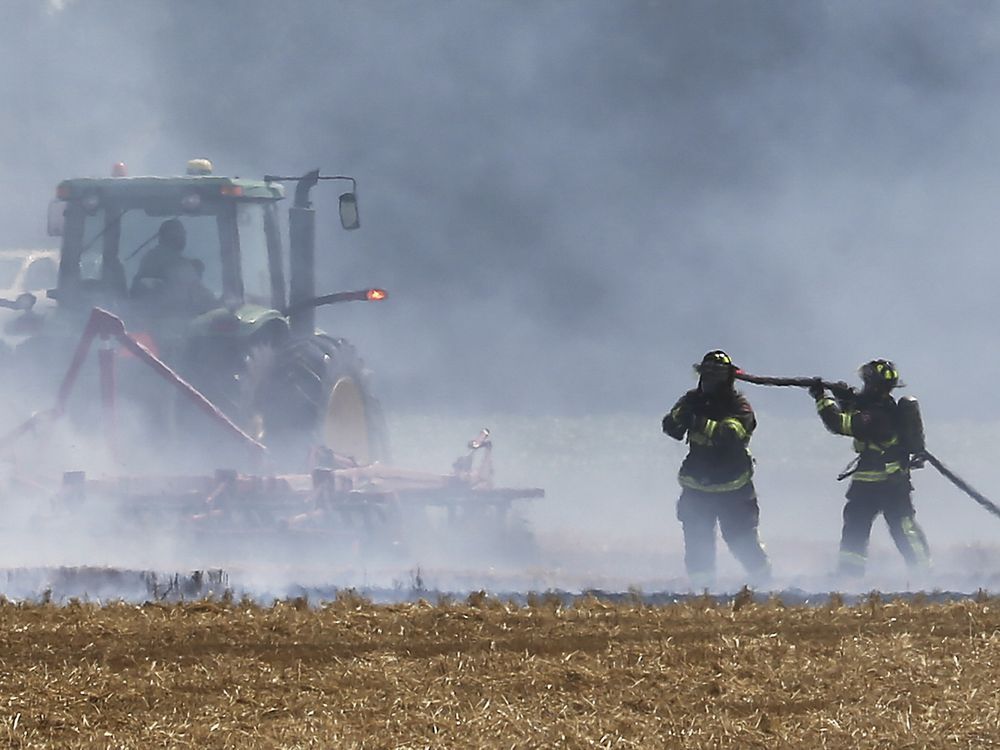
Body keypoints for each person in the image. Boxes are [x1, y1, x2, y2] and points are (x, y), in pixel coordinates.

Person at [808, 359, 930, 578]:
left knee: (902, 528)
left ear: (873, 385)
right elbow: (857, 411)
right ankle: (849, 574)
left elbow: (840, 424)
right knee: (856, 526)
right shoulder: (878, 407)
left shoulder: (878, 416)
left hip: (889, 484)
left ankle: (924, 575)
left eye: (866, 383)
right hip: (872, 481)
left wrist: (821, 400)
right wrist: (843, 396)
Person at [662, 350, 771, 589]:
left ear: (728, 379)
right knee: (697, 542)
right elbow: (671, 428)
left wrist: (697, 421)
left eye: (716, 376)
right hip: (696, 485)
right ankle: (704, 593)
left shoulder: (739, 406)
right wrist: (678, 417)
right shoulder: (691, 400)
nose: (710, 381)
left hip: (733, 486)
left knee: (740, 539)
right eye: (707, 375)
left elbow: (731, 435)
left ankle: (764, 584)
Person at [131, 218, 216, 315]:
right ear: (166, 236)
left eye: (182, 233)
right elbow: (199, 293)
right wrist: (218, 305)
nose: (182, 237)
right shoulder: (175, 264)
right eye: (178, 233)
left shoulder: (150, 259)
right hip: (169, 319)